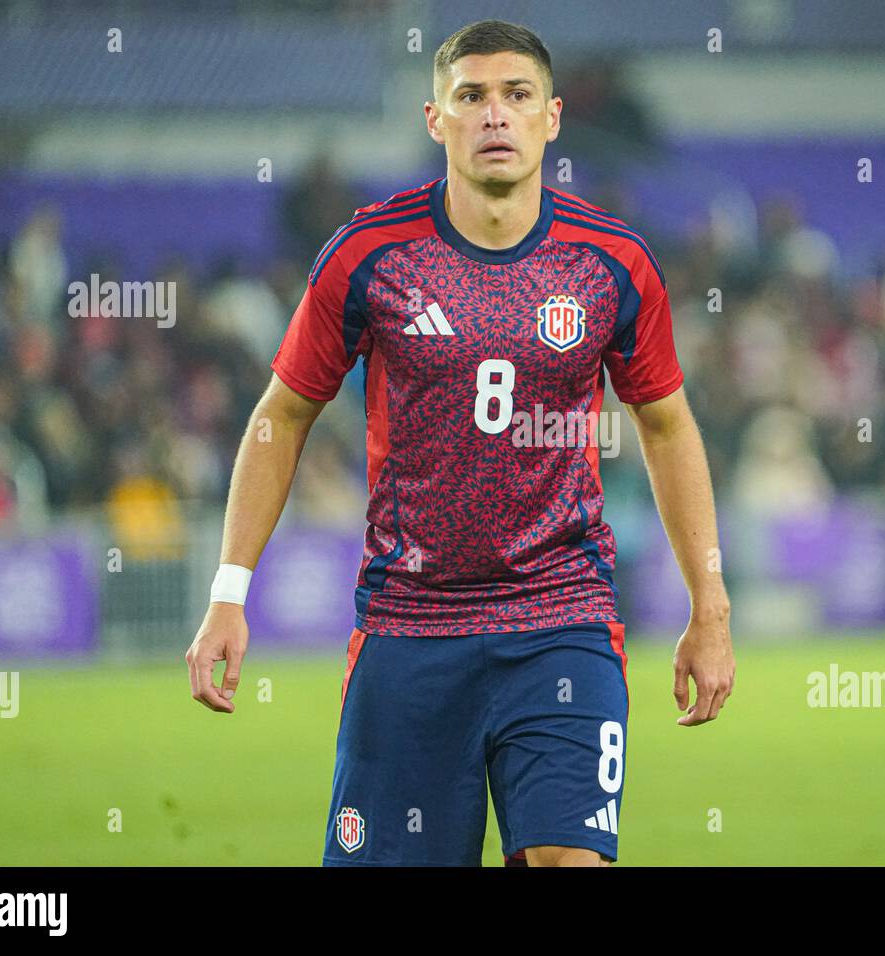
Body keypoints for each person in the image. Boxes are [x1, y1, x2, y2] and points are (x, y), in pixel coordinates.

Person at [185, 18, 734, 867]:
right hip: (412, 622)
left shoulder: (613, 262)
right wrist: (229, 590)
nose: (494, 116)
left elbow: (667, 425)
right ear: (435, 120)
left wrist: (711, 603)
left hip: (563, 614)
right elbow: (280, 415)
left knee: (565, 860)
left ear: (552, 117)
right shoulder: (368, 255)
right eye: (470, 96)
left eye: (516, 96)